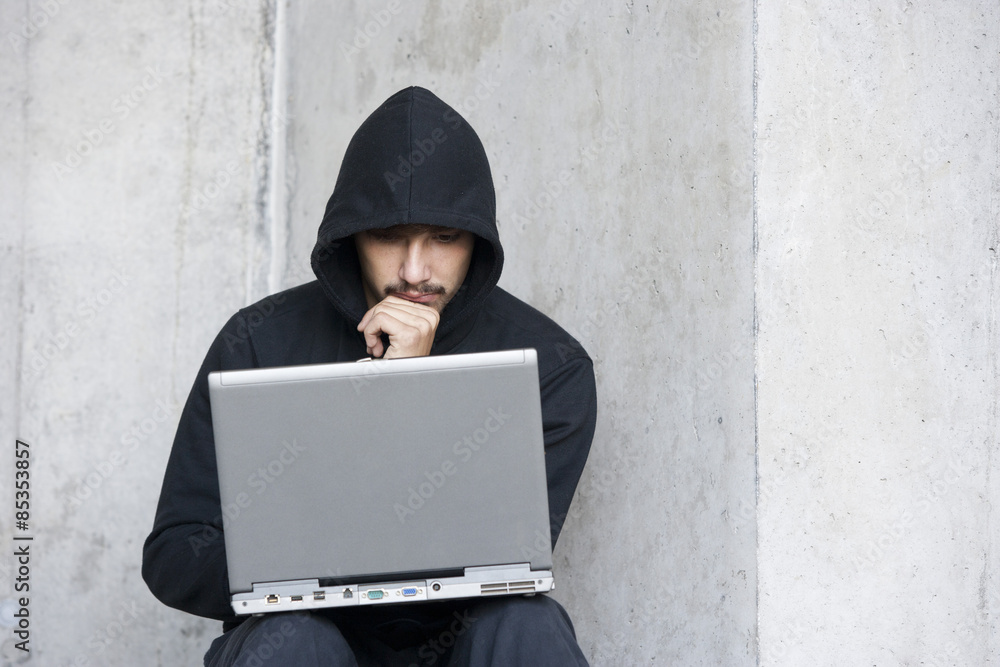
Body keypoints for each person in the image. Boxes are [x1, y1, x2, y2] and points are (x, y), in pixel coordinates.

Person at [142, 86, 597, 666]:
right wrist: (293, 558)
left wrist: (413, 391)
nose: (414, 270)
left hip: (462, 644)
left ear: (476, 241)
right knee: (296, 640)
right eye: (387, 237)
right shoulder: (258, 340)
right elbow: (176, 557)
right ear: (351, 235)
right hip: (302, 639)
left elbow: (502, 557)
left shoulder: (550, 367)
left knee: (526, 622)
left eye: (444, 237)